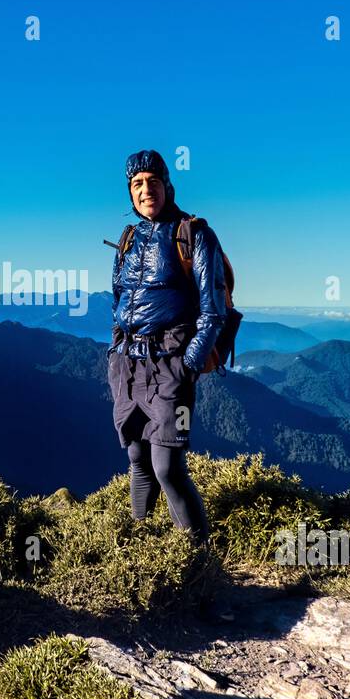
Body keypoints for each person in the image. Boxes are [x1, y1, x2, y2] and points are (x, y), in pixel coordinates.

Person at [107, 148, 228, 548]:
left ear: (167, 186)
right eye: (137, 185)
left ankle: (200, 567)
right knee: (138, 460)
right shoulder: (127, 240)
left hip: (170, 367)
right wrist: (115, 353)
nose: (145, 191)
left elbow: (213, 313)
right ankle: (140, 549)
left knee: (168, 468)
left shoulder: (194, 235)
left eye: (152, 183)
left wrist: (188, 365)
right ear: (130, 192)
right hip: (127, 366)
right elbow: (119, 300)